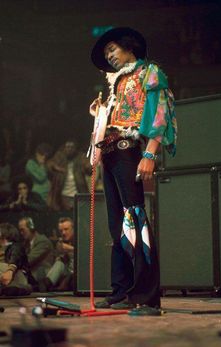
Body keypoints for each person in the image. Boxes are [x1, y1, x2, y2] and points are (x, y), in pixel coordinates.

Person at [89, 27, 177, 315]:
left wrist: (150, 153)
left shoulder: (149, 72)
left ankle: (146, 296)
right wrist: (99, 115)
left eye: (112, 49)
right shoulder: (116, 81)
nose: (110, 56)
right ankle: (120, 290)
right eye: (106, 54)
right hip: (110, 153)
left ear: (129, 47)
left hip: (129, 150)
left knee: (135, 218)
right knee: (117, 225)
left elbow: (160, 112)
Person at [47, 140, 89, 211]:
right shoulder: (59, 156)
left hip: (78, 194)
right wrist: (55, 167)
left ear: (75, 148)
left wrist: (87, 166)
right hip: (63, 194)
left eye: (72, 147)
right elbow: (49, 164)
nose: (69, 149)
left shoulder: (80, 157)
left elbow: (89, 168)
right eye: (67, 147)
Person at [39, 217, 74, 292]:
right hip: (66, 272)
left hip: (78, 275)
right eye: (61, 231)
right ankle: (46, 283)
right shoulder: (61, 243)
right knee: (59, 262)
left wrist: (71, 249)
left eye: (66, 229)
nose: (63, 233)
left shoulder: (81, 239)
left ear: (73, 229)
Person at [0, 223, 35, 296]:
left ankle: (21, 288)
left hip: (17, 277)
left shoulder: (16, 246)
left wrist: (10, 270)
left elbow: (16, 256)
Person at [18, 216, 54, 284]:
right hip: (32, 274)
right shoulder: (26, 243)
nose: (21, 233)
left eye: (23, 230)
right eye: (20, 230)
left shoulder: (43, 241)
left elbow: (29, 260)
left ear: (31, 228)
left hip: (43, 274)